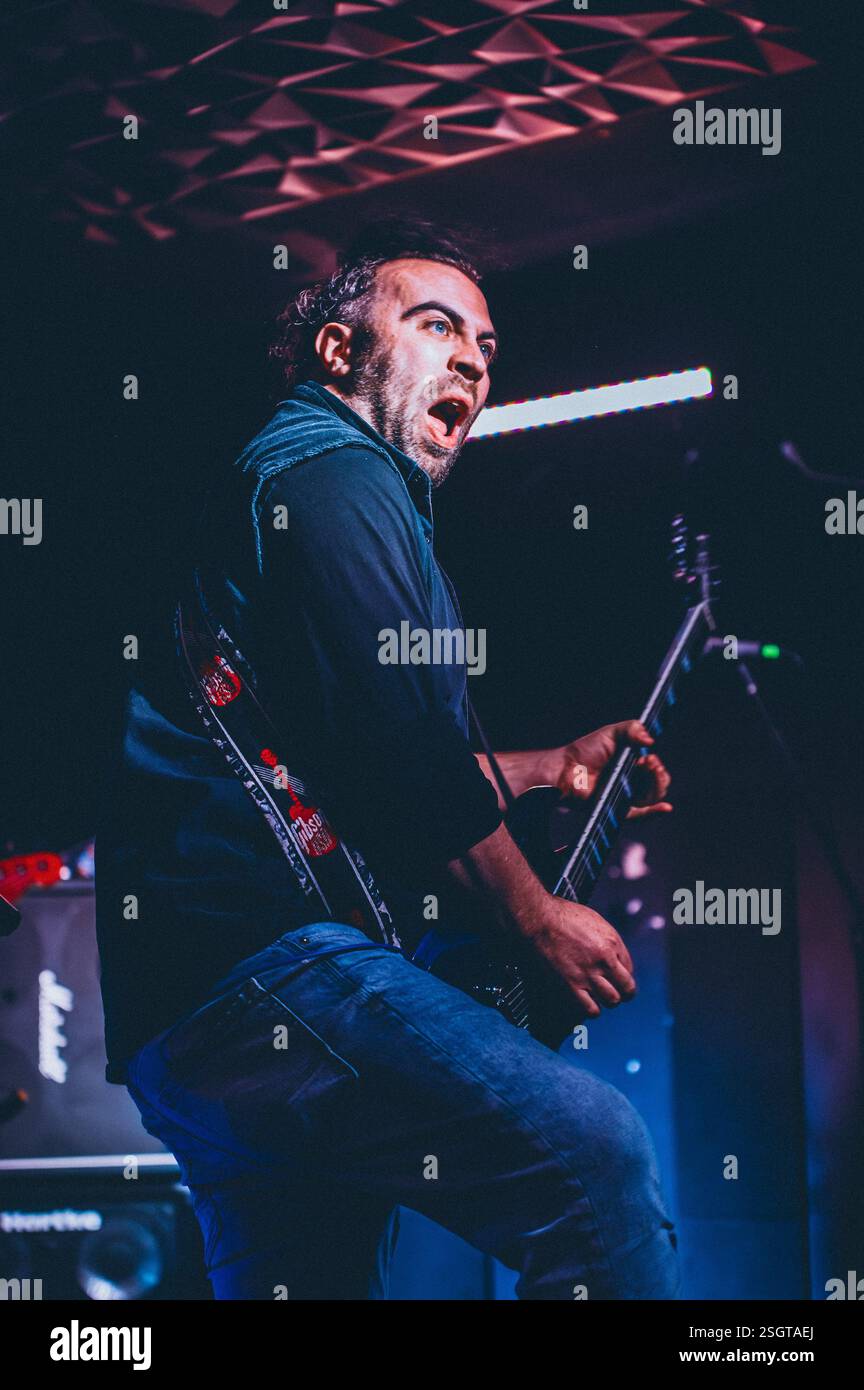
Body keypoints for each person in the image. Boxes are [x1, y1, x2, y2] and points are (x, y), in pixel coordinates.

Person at [95, 216, 679, 1300]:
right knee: (592, 1158)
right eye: (436, 325)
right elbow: (411, 750)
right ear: (340, 351)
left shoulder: (308, 487)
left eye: (487, 346)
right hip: (268, 971)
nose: (470, 358)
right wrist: (533, 916)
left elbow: (356, 758)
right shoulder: (331, 469)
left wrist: (553, 764)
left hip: (184, 1028)